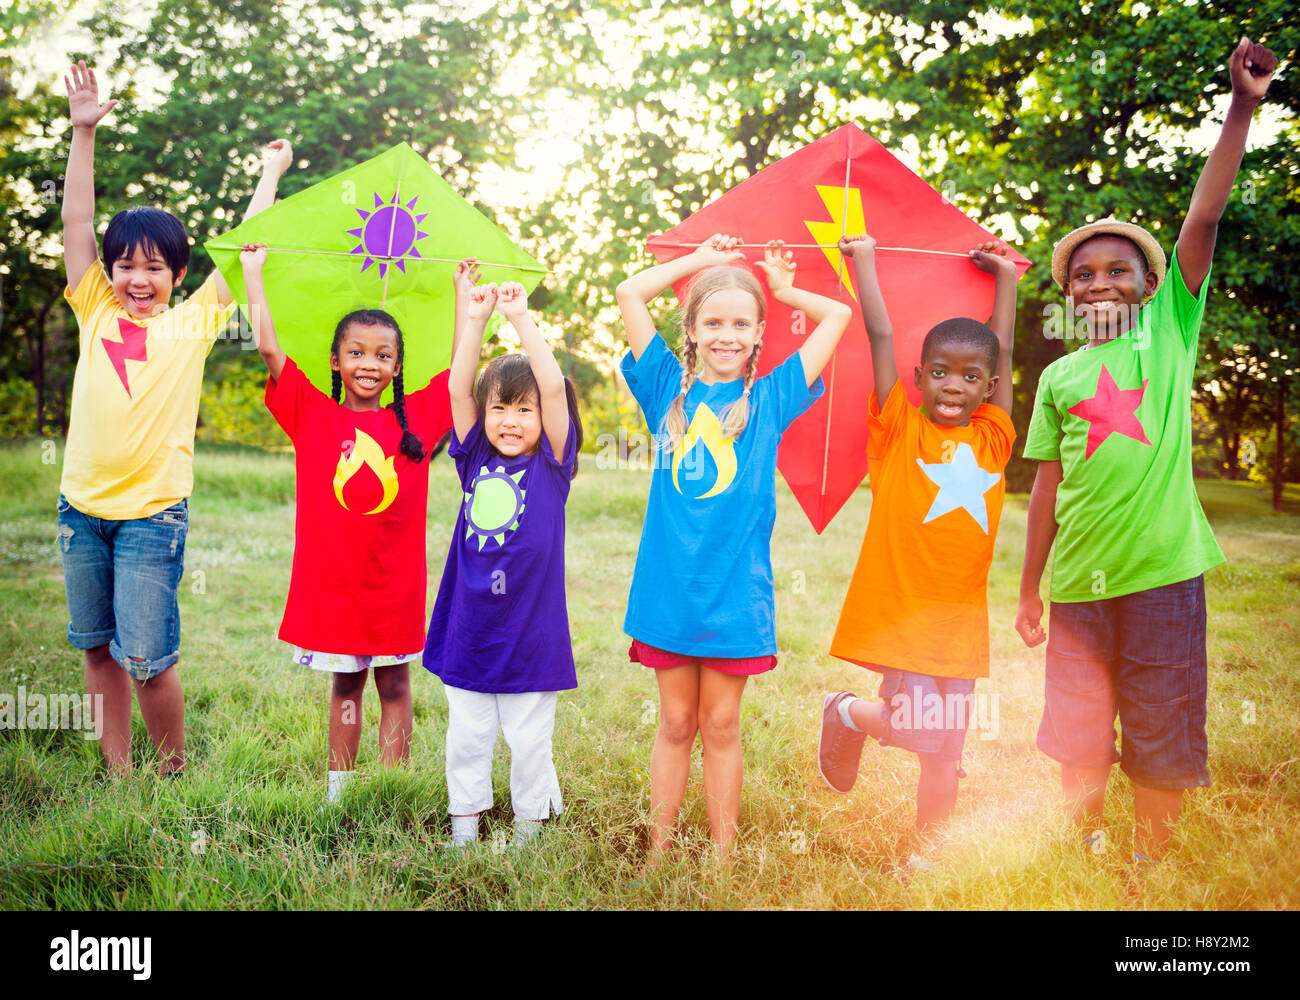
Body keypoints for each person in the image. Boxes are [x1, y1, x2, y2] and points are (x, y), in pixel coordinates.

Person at [1015, 37, 1278, 869]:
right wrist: (1031, 588)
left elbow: (1203, 215)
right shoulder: (1057, 376)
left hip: (1162, 575)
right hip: (1079, 585)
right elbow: (1048, 488)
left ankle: (1149, 857)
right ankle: (1081, 835)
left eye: (1118, 270)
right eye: (1083, 274)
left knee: (1161, 717)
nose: (1099, 283)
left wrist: (1240, 106)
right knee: (1079, 723)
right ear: (1067, 293)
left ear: (1148, 285)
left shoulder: (1170, 331)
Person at [57, 61, 290, 775]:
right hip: (80, 511)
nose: (136, 278)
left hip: (153, 515)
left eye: (154, 267)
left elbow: (248, 236)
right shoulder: (93, 306)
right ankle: (120, 771)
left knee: (148, 660)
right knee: (96, 648)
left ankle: (171, 769)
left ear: (177, 276)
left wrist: (271, 173)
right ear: (109, 272)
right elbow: (75, 220)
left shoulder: (193, 323)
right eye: (125, 264)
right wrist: (83, 133)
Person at [617, 234, 853, 864]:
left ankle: (721, 859)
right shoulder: (666, 386)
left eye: (741, 323)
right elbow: (630, 293)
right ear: (690, 331)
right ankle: (659, 852)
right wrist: (700, 263)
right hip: (669, 591)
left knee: (720, 726)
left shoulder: (772, 399)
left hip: (733, 595)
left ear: (757, 334)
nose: (726, 334)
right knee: (674, 724)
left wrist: (779, 287)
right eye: (712, 321)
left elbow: (839, 316)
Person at [816, 235, 1018, 864]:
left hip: (960, 622)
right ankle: (847, 713)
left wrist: (1006, 278)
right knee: (920, 727)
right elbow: (881, 336)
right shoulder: (898, 426)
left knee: (947, 749)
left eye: (969, 376)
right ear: (919, 376)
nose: (952, 386)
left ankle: (924, 856)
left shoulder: (995, 435)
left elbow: (1005, 348)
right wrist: (864, 261)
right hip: (905, 612)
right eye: (939, 372)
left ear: (988, 386)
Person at [240, 243, 453, 804]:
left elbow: (461, 373)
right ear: (335, 360)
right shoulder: (313, 414)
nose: (369, 363)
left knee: (397, 683)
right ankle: (340, 791)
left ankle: (392, 788)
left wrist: (465, 300)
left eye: (383, 355)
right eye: (356, 352)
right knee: (346, 683)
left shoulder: (420, 421)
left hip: (394, 586)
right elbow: (267, 345)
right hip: (336, 587)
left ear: (397, 367)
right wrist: (252, 270)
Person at [423, 271, 582, 849]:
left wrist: (519, 318)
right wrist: (474, 319)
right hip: (470, 626)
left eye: (524, 410)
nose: (510, 420)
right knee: (467, 733)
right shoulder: (473, 459)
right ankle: (464, 823)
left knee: (528, 737)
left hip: (531, 633)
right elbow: (459, 390)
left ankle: (527, 824)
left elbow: (556, 390)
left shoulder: (552, 466)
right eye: (501, 409)